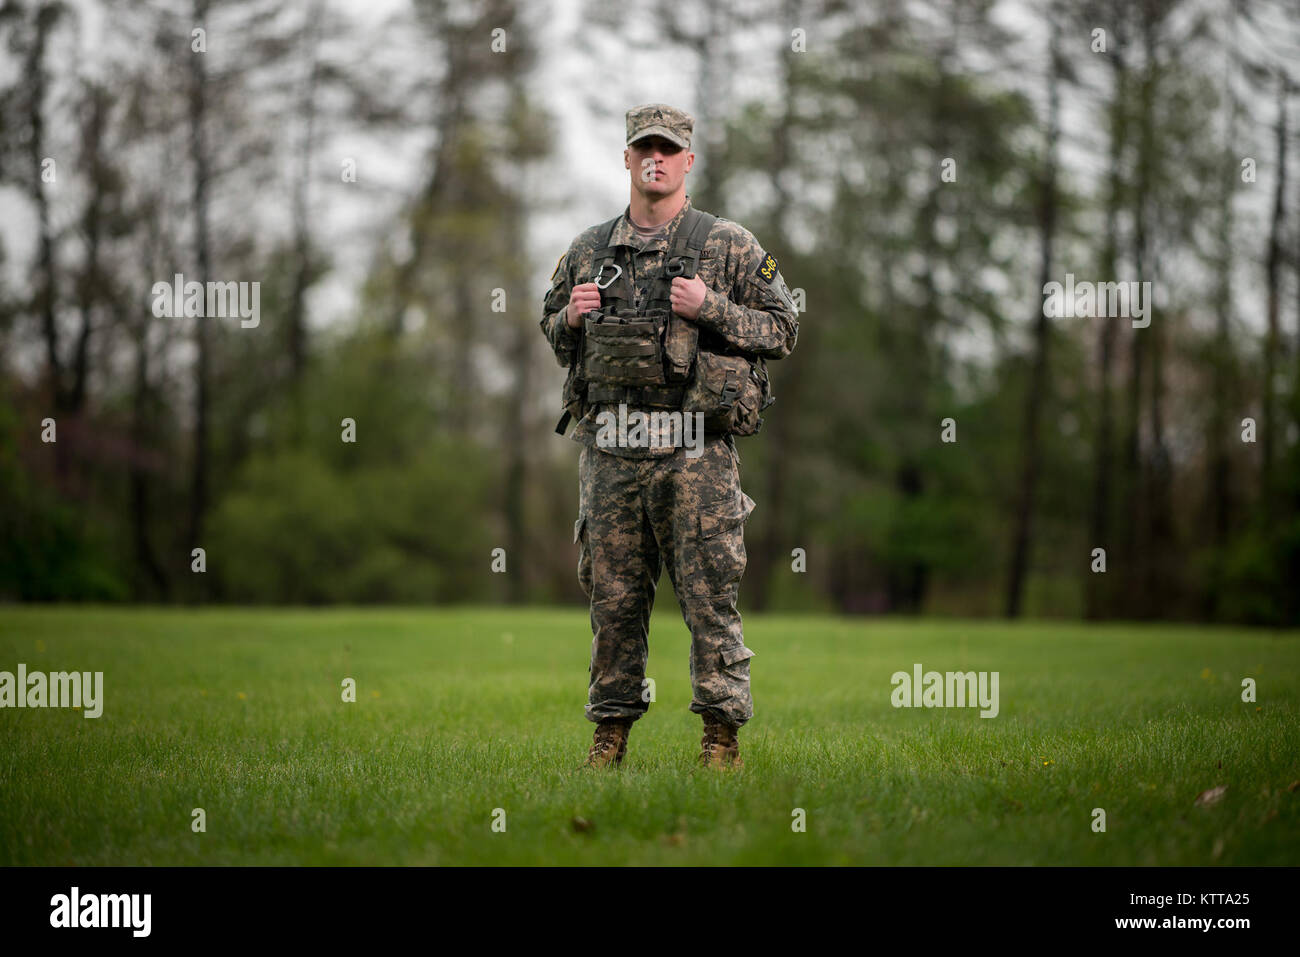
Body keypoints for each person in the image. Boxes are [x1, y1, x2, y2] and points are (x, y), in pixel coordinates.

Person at [539, 103, 799, 769]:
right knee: (614, 602)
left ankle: (721, 739)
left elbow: (784, 328)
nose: (654, 156)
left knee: (710, 598)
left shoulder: (729, 245)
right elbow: (550, 330)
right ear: (626, 159)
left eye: (668, 147)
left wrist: (708, 307)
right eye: (642, 146)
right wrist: (569, 315)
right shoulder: (587, 250)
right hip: (611, 448)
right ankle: (609, 737)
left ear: (688, 161)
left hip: (695, 451)